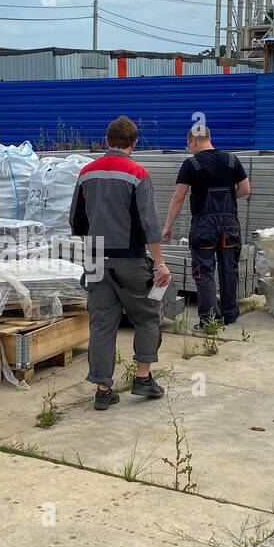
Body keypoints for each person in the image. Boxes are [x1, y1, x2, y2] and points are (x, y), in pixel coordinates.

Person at [69, 115, 172, 410]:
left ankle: (103, 390)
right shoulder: (137, 173)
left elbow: (77, 220)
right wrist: (160, 264)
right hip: (130, 258)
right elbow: (149, 225)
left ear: (106, 140)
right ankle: (142, 377)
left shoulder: (87, 173)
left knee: (102, 324)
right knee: (147, 315)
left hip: (96, 259)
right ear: (134, 143)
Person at [161, 124, 250, 330]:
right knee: (229, 269)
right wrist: (228, 199)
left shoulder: (191, 164)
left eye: (188, 145)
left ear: (193, 141)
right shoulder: (231, 160)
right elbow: (245, 189)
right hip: (230, 225)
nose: (189, 149)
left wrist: (167, 227)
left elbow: (178, 198)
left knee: (204, 271)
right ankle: (229, 314)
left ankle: (210, 321)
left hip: (204, 226)